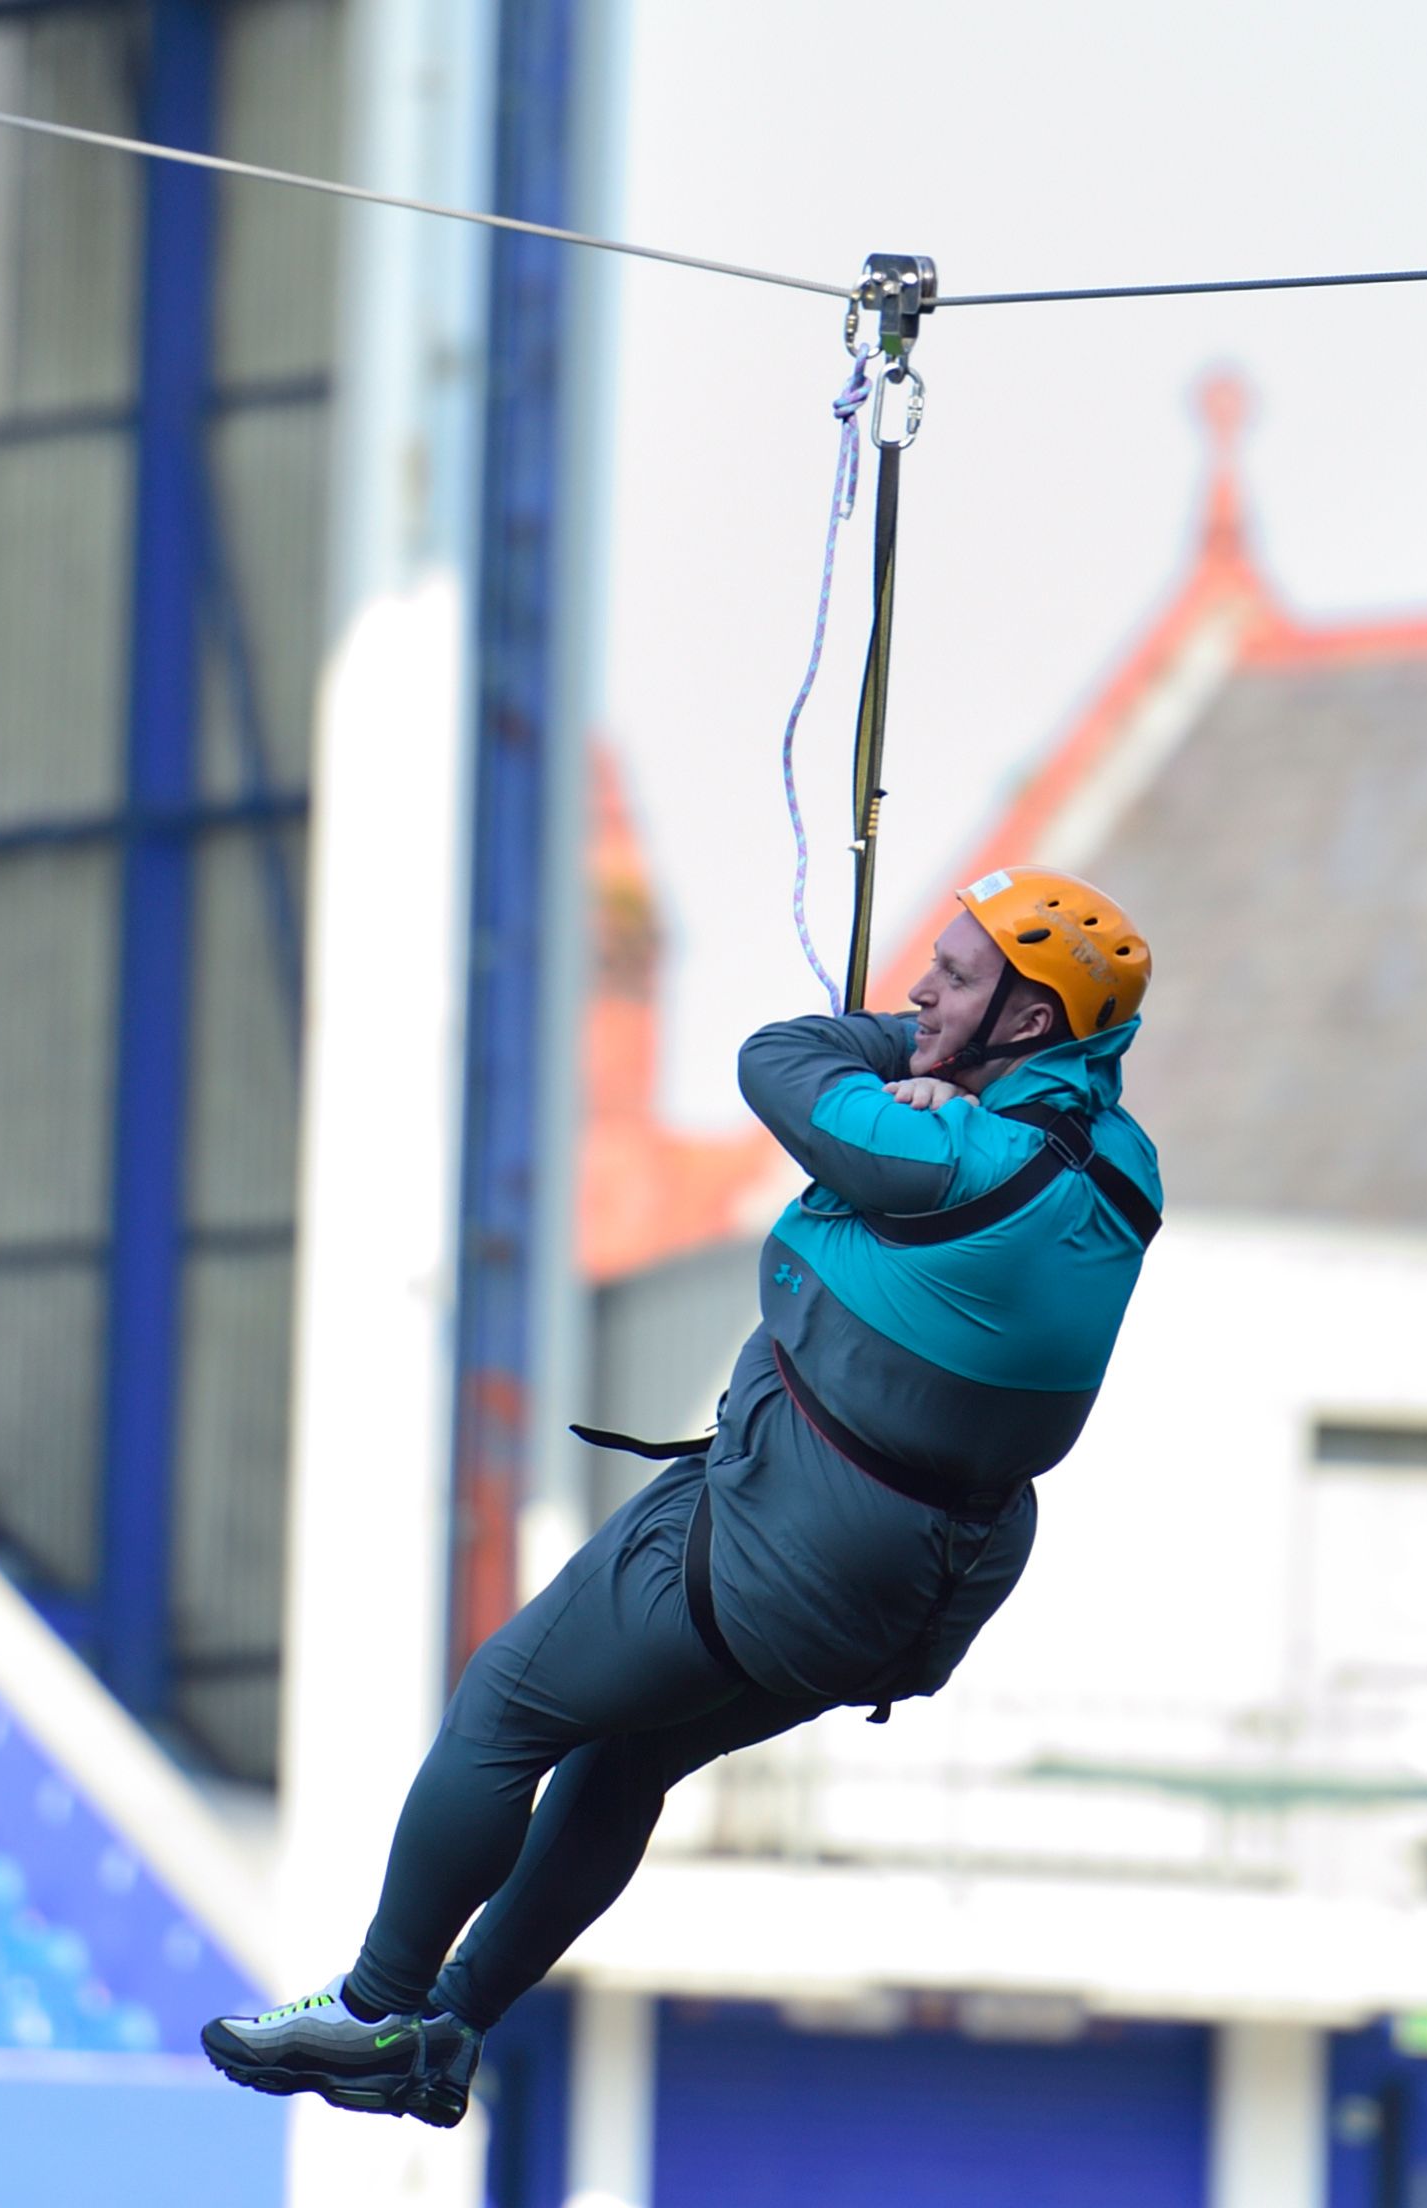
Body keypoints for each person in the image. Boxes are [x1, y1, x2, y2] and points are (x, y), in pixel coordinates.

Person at [201, 866, 1162, 2125]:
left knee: (505, 1706)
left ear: (1029, 1020)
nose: (921, 990)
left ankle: (375, 2007)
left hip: (790, 1535)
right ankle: (451, 2030)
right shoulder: (1125, 1164)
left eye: (955, 978)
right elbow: (1023, 1135)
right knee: (626, 1759)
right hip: (924, 1588)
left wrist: (905, 1060)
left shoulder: (947, 1156)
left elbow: (778, 1058)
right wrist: (959, 1069)